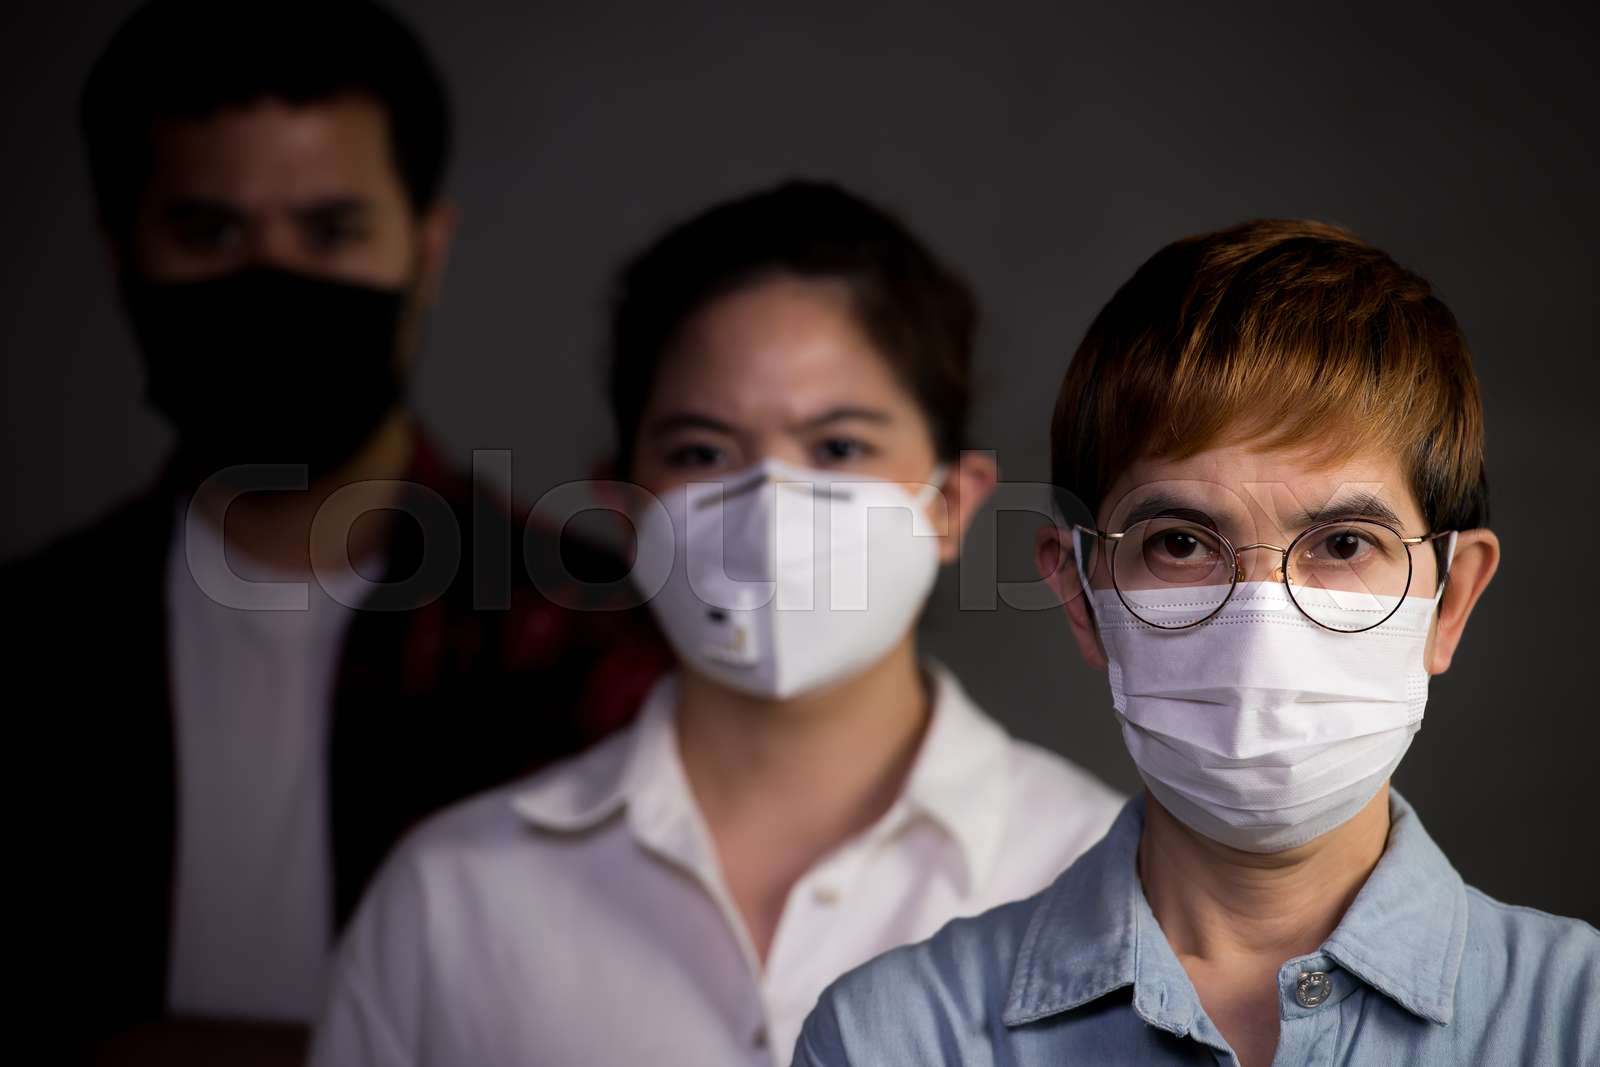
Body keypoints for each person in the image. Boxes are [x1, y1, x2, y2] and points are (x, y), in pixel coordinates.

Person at [308, 180, 1124, 1066]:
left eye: (838, 447)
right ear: (624, 508)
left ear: (951, 504)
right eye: (702, 452)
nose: (768, 507)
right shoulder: (453, 896)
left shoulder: (1111, 885)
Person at [9, 0, 667, 1052]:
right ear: (121, 253)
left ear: (428, 245)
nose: (271, 284)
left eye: (331, 230)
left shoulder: (594, 638)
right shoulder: (33, 641)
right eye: (208, 231)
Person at [795, 219, 1600, 1066]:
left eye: (1343, 543)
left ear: (1450, 599)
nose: (1261, 631)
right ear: (1080, 593)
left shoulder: (1577, 1022)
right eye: (1181, 542)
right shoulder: (893, 1039)